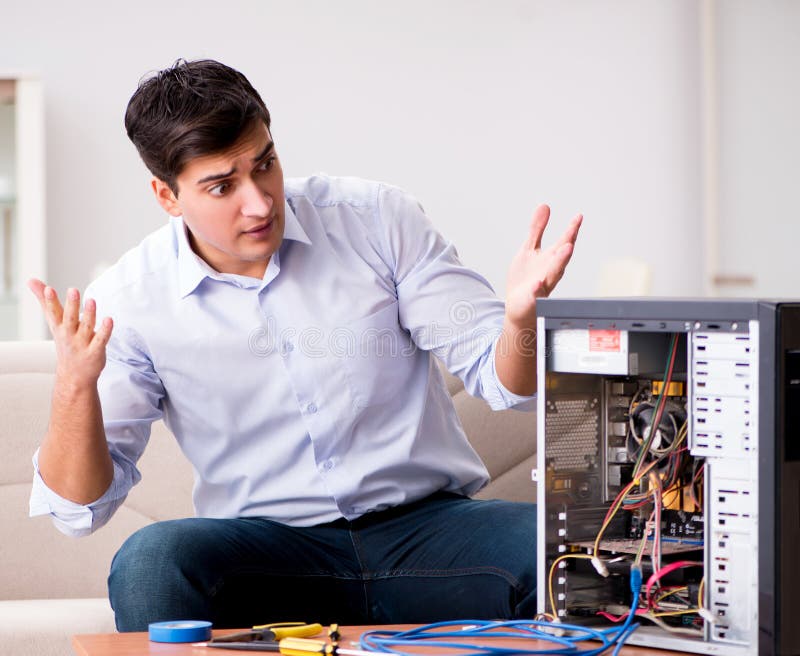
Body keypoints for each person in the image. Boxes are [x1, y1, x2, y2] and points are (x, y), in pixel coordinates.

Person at [28, 59, 582, 631]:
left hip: (428, 534)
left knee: (572, 552)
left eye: (264, 164)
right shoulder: (128, 299)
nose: (260, 203)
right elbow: (78, 510)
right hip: (267, 554)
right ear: (167, 196)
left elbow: (505, 380)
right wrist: (74, 385)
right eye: (222, 185)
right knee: (151, 563)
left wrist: (520, 317)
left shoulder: (376, 220)